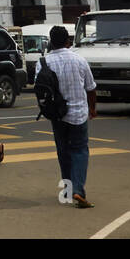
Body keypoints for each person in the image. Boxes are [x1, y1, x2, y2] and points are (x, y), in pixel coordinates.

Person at [37, 25, 97, 208]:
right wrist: (92, 108)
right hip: (78, 112)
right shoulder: (79, 60)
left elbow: (38, 87)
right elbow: (91, 87)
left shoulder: (43, 62)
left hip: (57, 115)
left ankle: (69, 189)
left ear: (50, 42)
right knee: (79, 150)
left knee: (63, 152)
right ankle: (78, 190)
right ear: (67, 41)